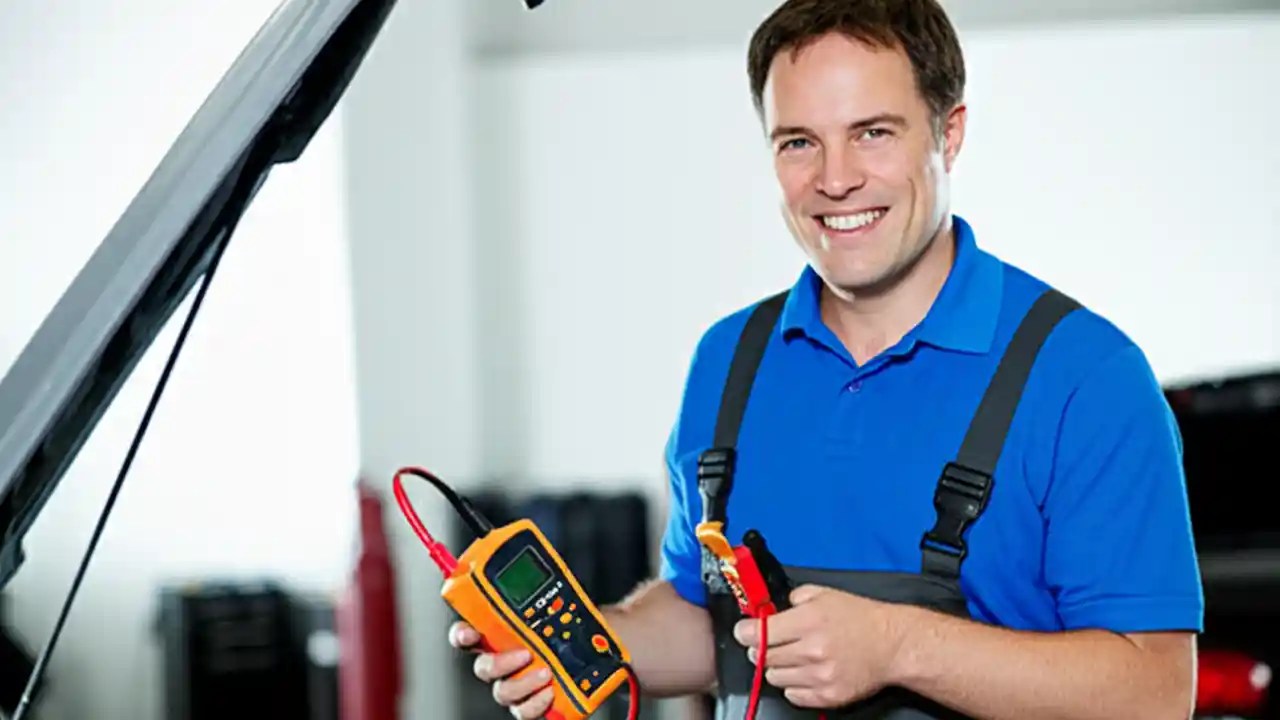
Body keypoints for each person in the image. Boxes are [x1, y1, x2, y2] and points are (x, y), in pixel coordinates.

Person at [449, 0, 1204, 717]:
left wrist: (900, 647)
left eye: (873, 133)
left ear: (949, 134)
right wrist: (585, 646)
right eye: (798, 142)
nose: (834, 179)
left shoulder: (1086, 378)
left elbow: (1154, 691)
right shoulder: (728, 362)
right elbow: (705, 619)